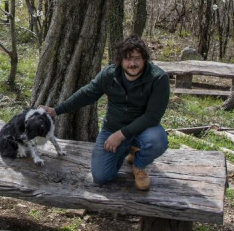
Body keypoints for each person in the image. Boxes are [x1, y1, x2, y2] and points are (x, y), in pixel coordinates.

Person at [45, 36, 169, 190]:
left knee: (158, 140)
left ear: (145, 59)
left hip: (142, 129)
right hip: (112, 127)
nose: (132, 63)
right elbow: (87, 94)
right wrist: (56, 110)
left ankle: (139, 164)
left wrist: (120, 135)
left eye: (137, 58)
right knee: (101, 176)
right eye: (127, 59)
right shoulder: (110, 75)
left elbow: (153, 116)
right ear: (120, 60)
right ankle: (129, 149)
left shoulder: (158, 78)